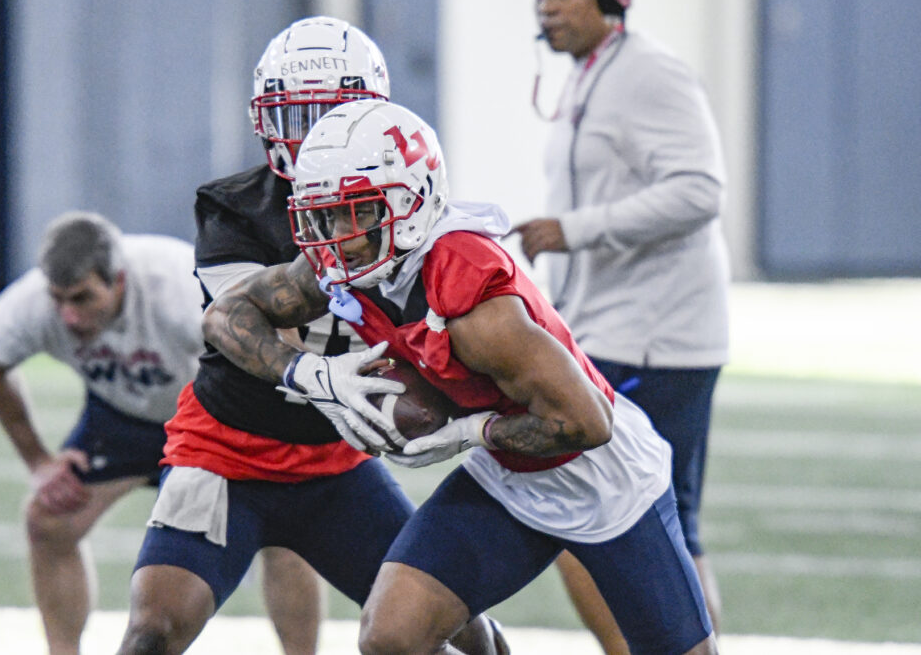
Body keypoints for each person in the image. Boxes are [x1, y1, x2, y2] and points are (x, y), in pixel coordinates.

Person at [203, 98, 718, 654]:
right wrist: (313, 376)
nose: (335, 236)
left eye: (352, 212)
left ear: (408, 202)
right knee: (390, 636)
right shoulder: (358, 262)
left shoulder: (472, 303)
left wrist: (468, 434)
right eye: (324, 214)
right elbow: (225, 315)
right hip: (509, 475)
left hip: (605, 481)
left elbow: (588, 422)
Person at [115, 17, 506, 655]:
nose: (313, 139)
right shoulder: (234, 207)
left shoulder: (403, 202)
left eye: (330, 117)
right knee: (153, 630)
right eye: (296, 118)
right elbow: (244, 327)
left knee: (462, 632)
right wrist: (319, 377)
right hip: (227, 450)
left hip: (337, 462)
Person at [0, 211, 318, 655]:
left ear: (119, 280)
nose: (69, 317)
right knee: (48, 520)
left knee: (281, 529)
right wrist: (37, 461)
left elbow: (261, 354)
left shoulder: (178, 287)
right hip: (119, 417)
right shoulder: (32, 305)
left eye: (81, 298)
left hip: (208, 420)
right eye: (59, 299)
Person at [511, 0, 729, 646]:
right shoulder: (589, 76)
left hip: (651, 338)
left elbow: (699, 189)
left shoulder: (651, 73)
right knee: (672, 528)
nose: (547, 6)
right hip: (626, 328)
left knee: (587, 520)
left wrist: (574, 228)